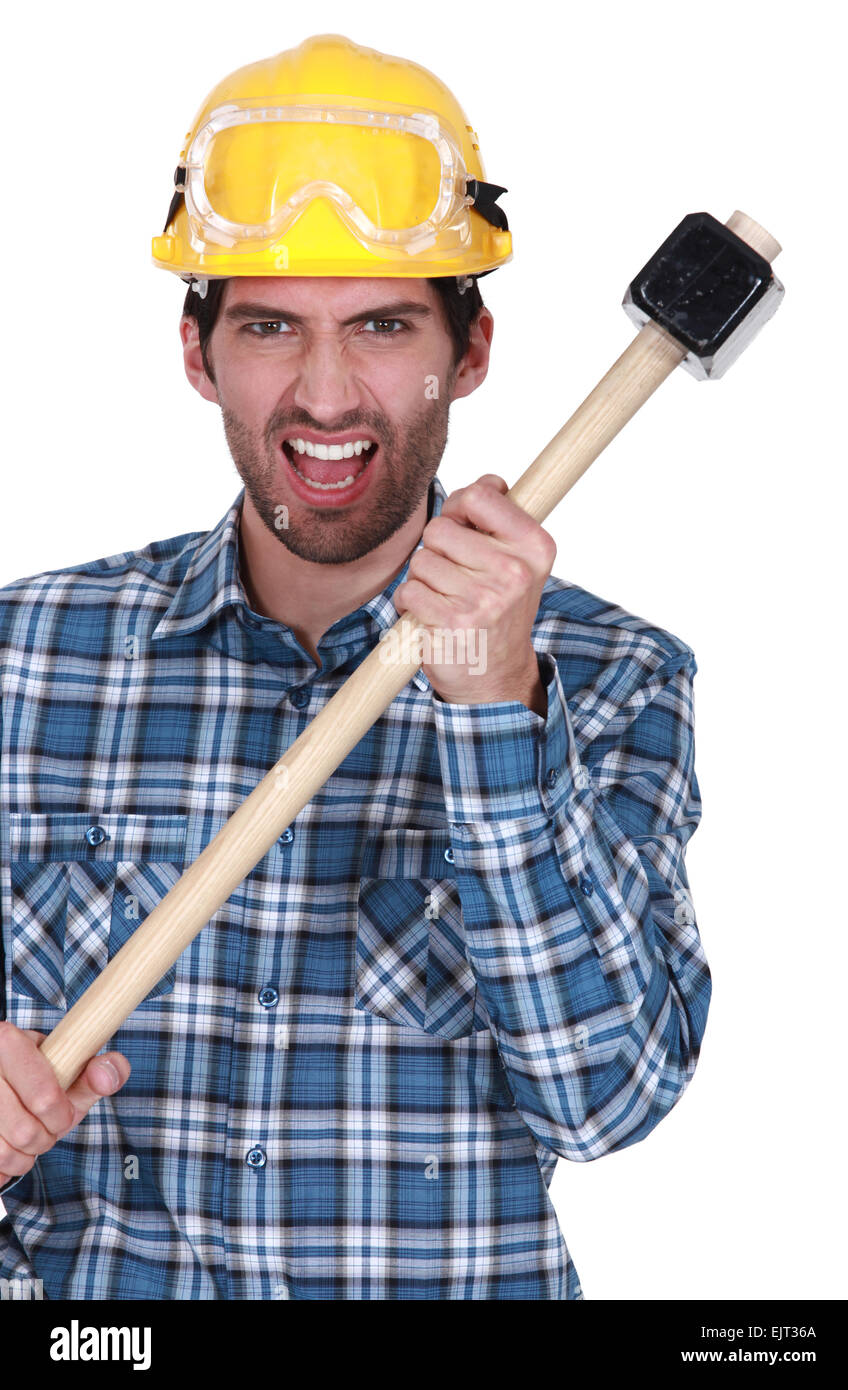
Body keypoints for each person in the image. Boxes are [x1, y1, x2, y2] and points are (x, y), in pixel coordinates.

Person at [0, 33, 711, 1301]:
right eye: (270, 326)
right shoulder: (23, 659)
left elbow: (606, 1100)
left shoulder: (609, 677)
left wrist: (495, 705)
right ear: (196, 351)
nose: (325, 394)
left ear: (471, 349)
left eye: (382, 325)